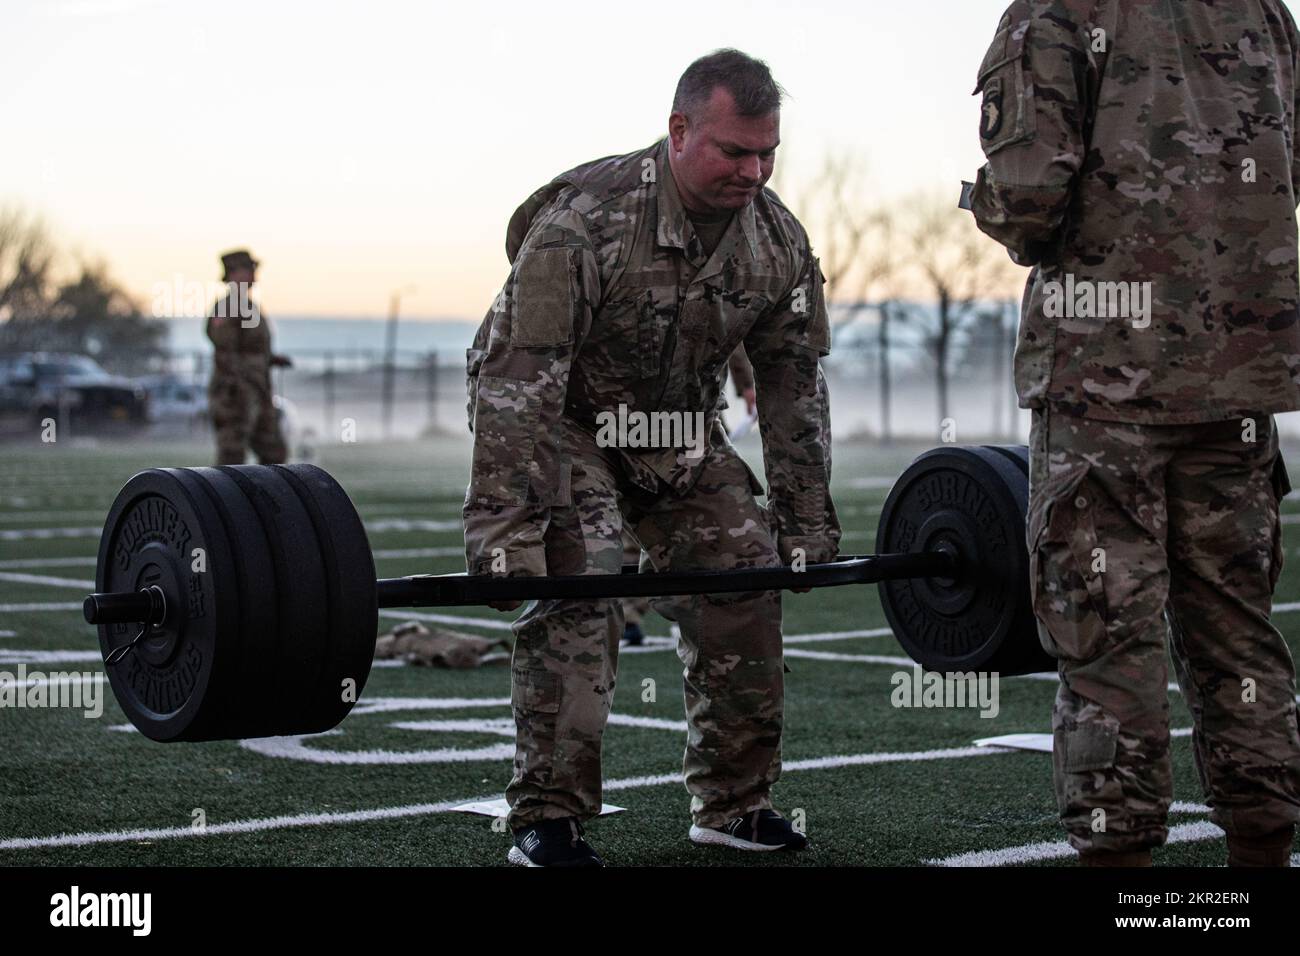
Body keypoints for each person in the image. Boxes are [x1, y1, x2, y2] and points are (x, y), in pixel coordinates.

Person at [463, 48, 839, 866]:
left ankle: (734, 805)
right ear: (678, 131)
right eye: (734, 150)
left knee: (748, 571)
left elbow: (792, 386)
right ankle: (546, 818)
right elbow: (519, 376)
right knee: (584, 578)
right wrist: (505, 528)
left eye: (767, 151)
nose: (754, 169)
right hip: (562, 417)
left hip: (674, 430)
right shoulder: (585, 221)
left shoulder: (778, 242)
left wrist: (806, 521)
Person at [971, 0, 1300, 866]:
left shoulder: (1056, 10)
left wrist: (980, 202)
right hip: (1237, 383)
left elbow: (1030, 199)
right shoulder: (1263, 10)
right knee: (1241, 642)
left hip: (1103, 386)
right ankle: (1261, 859)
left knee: (1106, 646)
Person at [207, 249, 291, 465]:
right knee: (232, 452)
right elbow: (225, 349)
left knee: (274, 451)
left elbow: (252, 348)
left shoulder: (248, 307)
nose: (254, 275)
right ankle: (226, 497)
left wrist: (270, 359)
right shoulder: (228, 306)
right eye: (249, 269)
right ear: (234, 273)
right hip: (236, 391)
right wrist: (239, 381)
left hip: (258, 388)